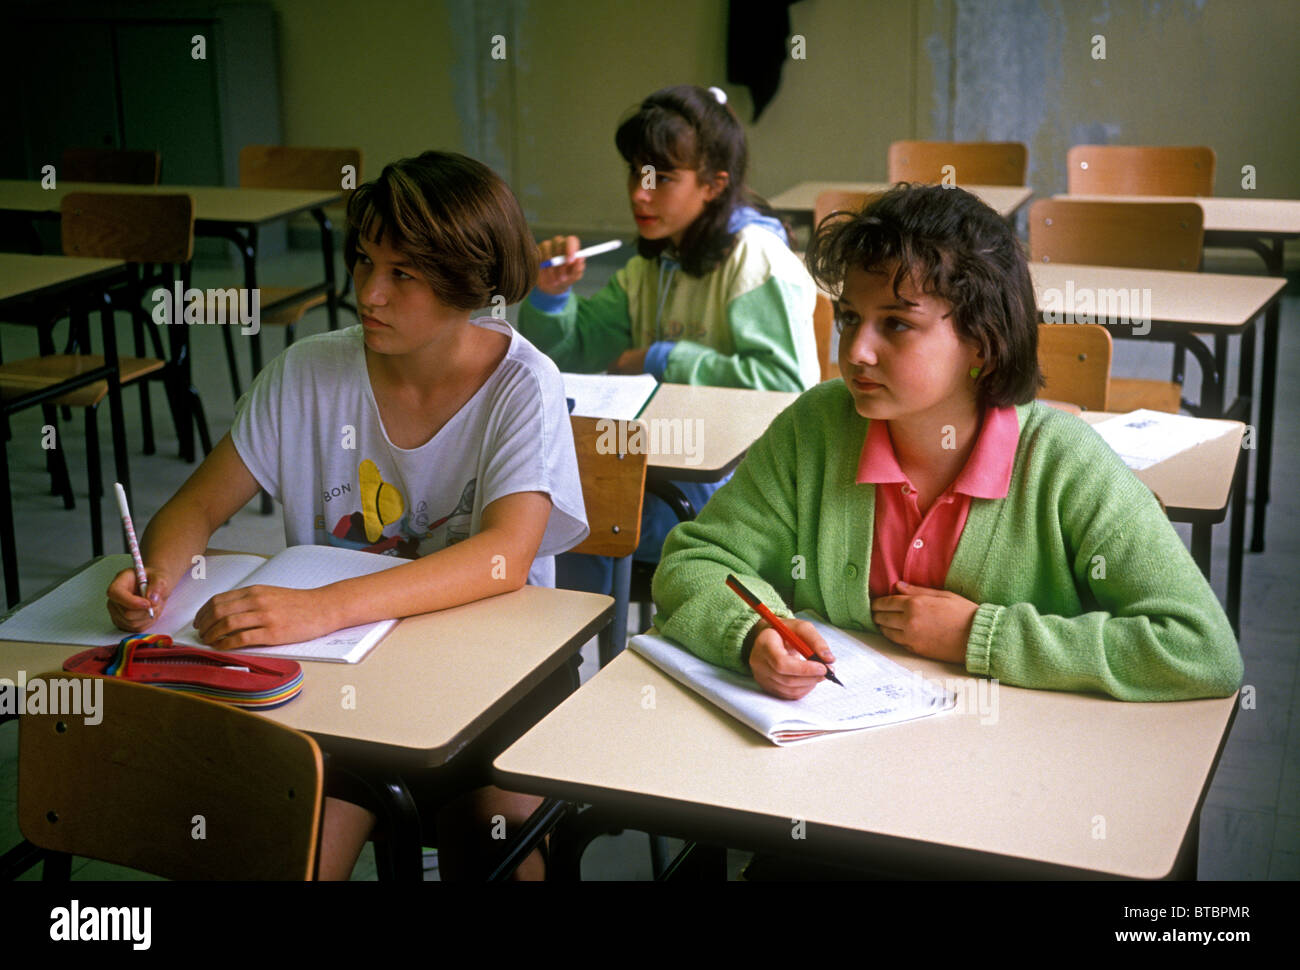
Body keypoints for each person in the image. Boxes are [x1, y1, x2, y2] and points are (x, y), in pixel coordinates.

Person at [106, 150, 589, 879]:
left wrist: (322, 608)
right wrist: (157, 577)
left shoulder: (524, 386)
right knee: (292, 854)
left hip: (495, 691)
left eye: (403, 275)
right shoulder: (308, 371)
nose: (368, 292)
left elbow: (505, 554)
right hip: (335, 697)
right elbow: (197, 504)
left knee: (497, 852)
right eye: (363, 261)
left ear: (468, 282)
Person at [652, 183, 1243, 703]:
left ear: (981, 344)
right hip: (840, 764)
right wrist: (754, 635)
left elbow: (1201, 649)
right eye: (850, 317)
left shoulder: (1063, 462)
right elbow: (696, 562)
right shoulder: (816, 428)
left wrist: (977, 635)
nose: (856, 351)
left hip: (1009, 782)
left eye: (897, 324)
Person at [519, 84, 821, 591]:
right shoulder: (650, 265)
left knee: (577, 512)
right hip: (655, 467)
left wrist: (661, 358)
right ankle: (567, 650)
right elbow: (564, 356)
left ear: (713, 184)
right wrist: (551, 298)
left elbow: (785, 386)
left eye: (662, 178)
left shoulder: (756, 260)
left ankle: (570, 648)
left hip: (739, 488)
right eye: (636, 173)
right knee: (562, 501)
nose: (640, 192)